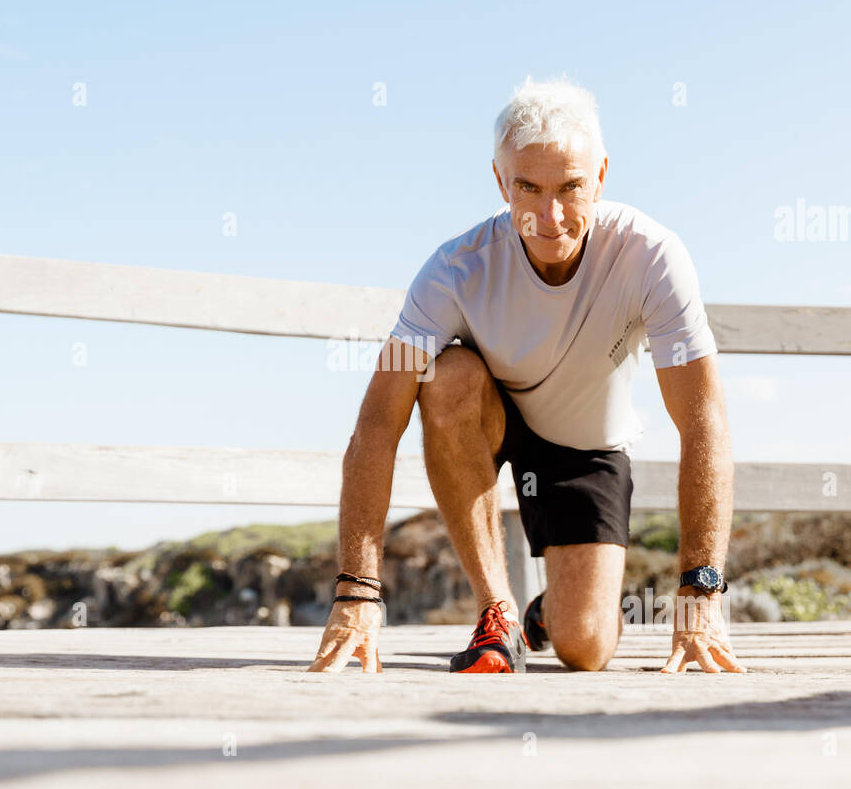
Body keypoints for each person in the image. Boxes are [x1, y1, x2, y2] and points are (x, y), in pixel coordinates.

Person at [308, 75, 744, 675]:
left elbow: (703, 422)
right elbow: (376, 426)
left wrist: (702, 593)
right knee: (449, 376)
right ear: (498, 181)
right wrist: (357, 592)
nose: (550, 216)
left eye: (571, 187)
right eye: (527, 188)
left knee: (585, 647)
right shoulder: (452, 273)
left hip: (583, 443)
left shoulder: (652, 257)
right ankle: (499, 609)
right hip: (488, 417)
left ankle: (549, 612)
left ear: (601, 176)